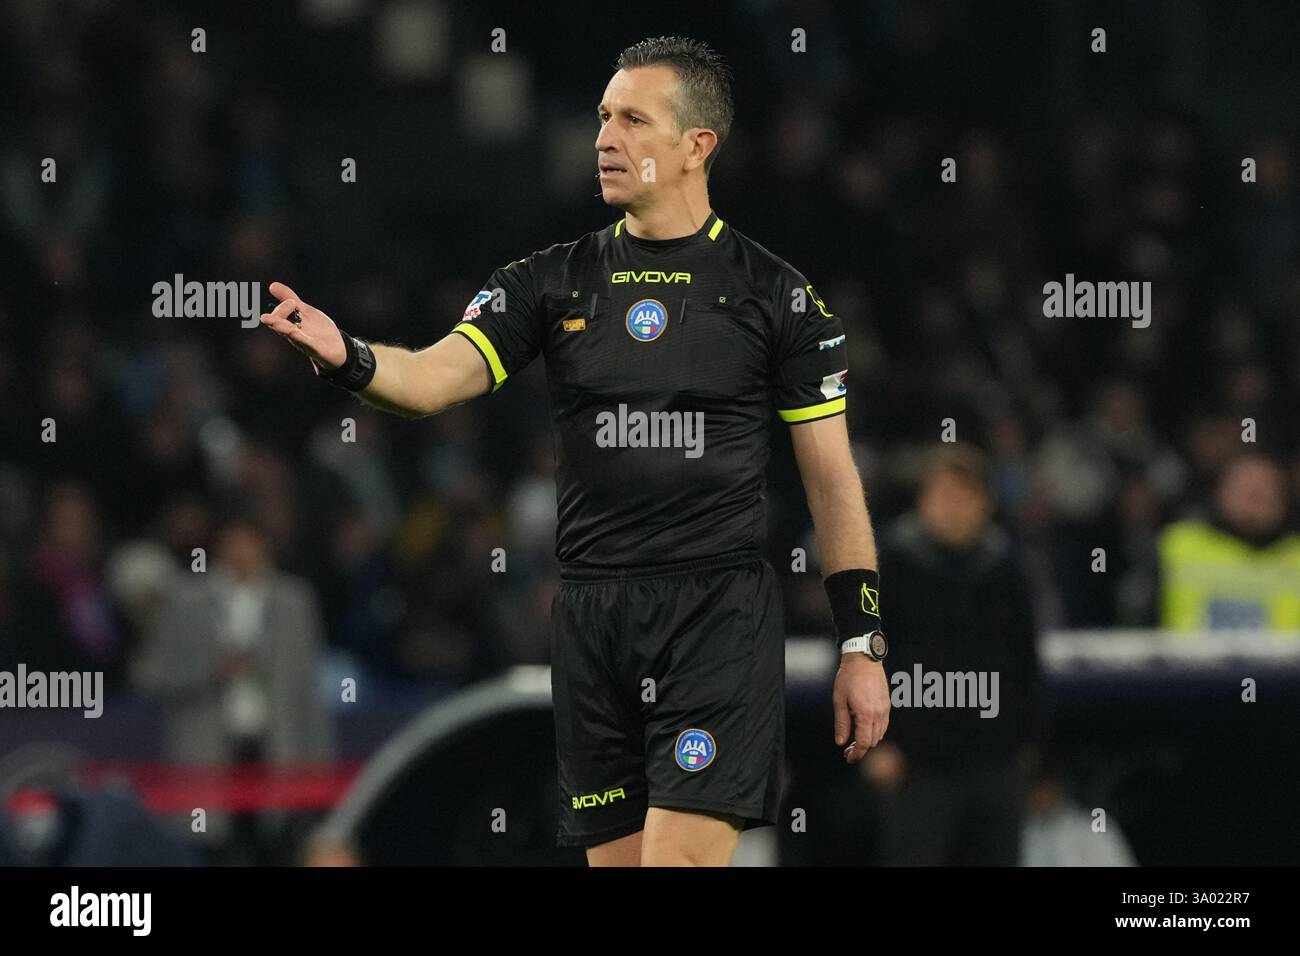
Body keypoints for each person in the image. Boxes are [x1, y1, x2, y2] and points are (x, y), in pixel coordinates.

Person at [258, 36, 890, 867]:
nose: (605, 136)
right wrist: (352, 357)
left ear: (698, 144)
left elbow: (832, 480)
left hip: (715, 621)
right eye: (601, 116)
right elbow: (434, 378)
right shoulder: (549, 281)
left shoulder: (777, 297)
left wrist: (862, 644)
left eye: (633, 119)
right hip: (593, 623)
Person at [865, 446, 1041, 865]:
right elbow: (857, 659)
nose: (952, 507)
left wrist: (1030, 747)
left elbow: (1026, 665)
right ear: (922, 500)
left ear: (986, 504)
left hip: (995, 762)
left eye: (964, 496)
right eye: (942, 495)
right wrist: (876, 743)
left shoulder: (1004, 569)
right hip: (915, 764)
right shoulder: (889, 564)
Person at [1157, 450, 1300, 631]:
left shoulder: (1296, 555)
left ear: (1284, 500)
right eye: (1245, 489)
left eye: (1265, 490)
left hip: (1285, 660)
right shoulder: (1177, 545)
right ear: (1220, 492)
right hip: (1184, 659)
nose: (1255, 499)